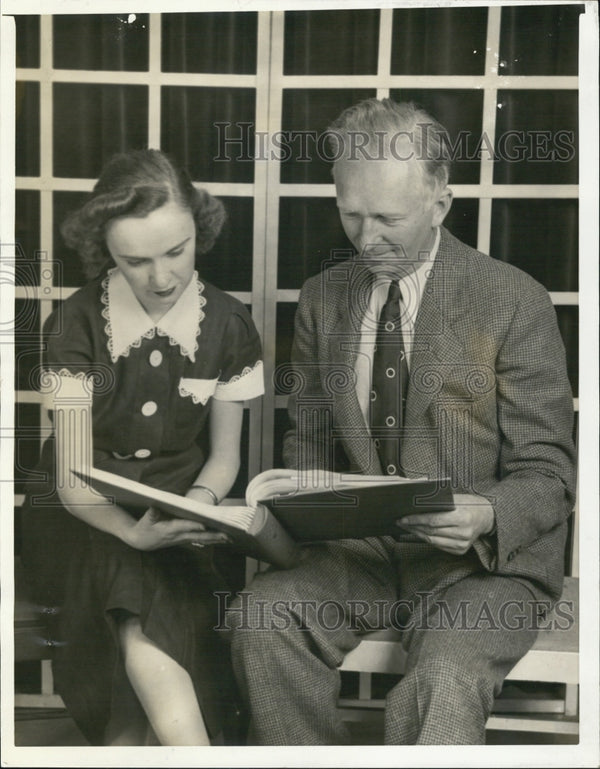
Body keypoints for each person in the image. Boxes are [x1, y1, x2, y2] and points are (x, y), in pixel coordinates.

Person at [229, 99, 577, 744]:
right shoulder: (322, 299)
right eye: (351, 214)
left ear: (440, 204)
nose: (367, 240)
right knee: (261, 619)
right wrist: (289, 507)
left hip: (479, 567)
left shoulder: (513, 298)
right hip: (359, 554)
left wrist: (487, 513)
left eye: (388, 219)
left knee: (444, 674)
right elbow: (309, 441)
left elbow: (549, 474)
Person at [20, 149, 264, 746]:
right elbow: (71, 478)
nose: (161, 278)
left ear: (199, 230)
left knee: (151, 597)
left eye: (176, 251)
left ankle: (127, 746)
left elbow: (225, 458)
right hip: (77, 520)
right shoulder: (74, 324)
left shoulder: (229, 324)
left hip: (177, 515)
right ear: (105, 249)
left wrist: (196, 508)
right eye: (135, 261)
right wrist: (131, 532)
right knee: (133, 577)